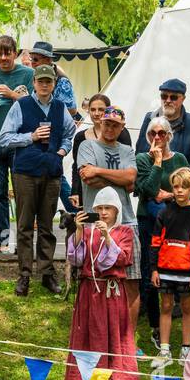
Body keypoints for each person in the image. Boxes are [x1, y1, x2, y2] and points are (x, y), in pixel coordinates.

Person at [0, 65, 76, 297]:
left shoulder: (60, 107)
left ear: (54, 83)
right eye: (41, 81)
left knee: (46, 226)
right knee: (24, 226)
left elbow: (70, 132)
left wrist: (62, 151)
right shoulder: (21, 105)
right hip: (25, 172)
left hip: (52, 173)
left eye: (49, 81)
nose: (44, 85)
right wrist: (30, 137)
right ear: (34, 82)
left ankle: (46, 273)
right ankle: (24, 274)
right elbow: (4, 138)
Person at [64, 187, 139, 380]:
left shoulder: (124, 232)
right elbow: (76, 259)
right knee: (89, 342)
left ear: (117, 210)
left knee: (114, 341)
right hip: (89, 295)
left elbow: (122, 258)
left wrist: (107, 236)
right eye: (100, 208)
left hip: (112, 294)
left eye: (108, 208)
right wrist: (78, 230)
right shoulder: (86, 233)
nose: (104, 212)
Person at [77, 105, 139, 320]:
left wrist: (99, 170)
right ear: (100, 123)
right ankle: (100, 335)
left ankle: (127, 341)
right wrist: (120, 181)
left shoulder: (127, 151)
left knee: (130, 282)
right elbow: (88, 178)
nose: (110, 128)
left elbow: (131, 178)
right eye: (107, 123)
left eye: (115, 125)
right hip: (94, 221)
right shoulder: (87, 146)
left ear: (122, 127)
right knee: (95, 280)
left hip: (126, 222)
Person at [135, 115, 190, 346]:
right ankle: (155, 325)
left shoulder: (179, 158)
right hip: (149, 221)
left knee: (178, 268)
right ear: (148, 136)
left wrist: (167, 195)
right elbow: (147, 188)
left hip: (177, 222)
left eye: (162, 133)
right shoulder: (142, 159)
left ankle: (184, 315)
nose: (157, 137)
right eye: (153, 133)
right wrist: (157, 163)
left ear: (169, 136)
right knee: (151, 270)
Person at [148, 167, 190, 368]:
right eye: (176, 187)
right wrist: (154, 269)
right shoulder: (164, 213)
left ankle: (185, 348)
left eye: (184, 187)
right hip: (165, 270)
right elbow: (155, 243)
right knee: (165, 307)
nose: (180, 190)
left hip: (187, 272)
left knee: (187, 308)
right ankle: (164, 349)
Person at [0, 36, 35, 252]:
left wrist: (11, 94)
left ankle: (23, 240)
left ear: (15, 53)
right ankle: (0, 238)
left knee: (22, 192)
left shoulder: (27, 74)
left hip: (20, 139)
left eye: (7, 53)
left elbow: (34, 104)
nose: (3, 58)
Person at [135, 79, 190, 168]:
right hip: (148, 178)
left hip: (178, 180)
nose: (168, 100)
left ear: (183, 99)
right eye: (164, 96)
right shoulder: (149, 119)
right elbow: (138, 153)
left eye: (173, 97)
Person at [24, 41, 79, 118]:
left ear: (48, 60)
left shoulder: (62, 81)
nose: (32, 63)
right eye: (31, 59)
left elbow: (72, 110)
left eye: (35, 59)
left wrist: (46, 114)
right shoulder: (34, 75)